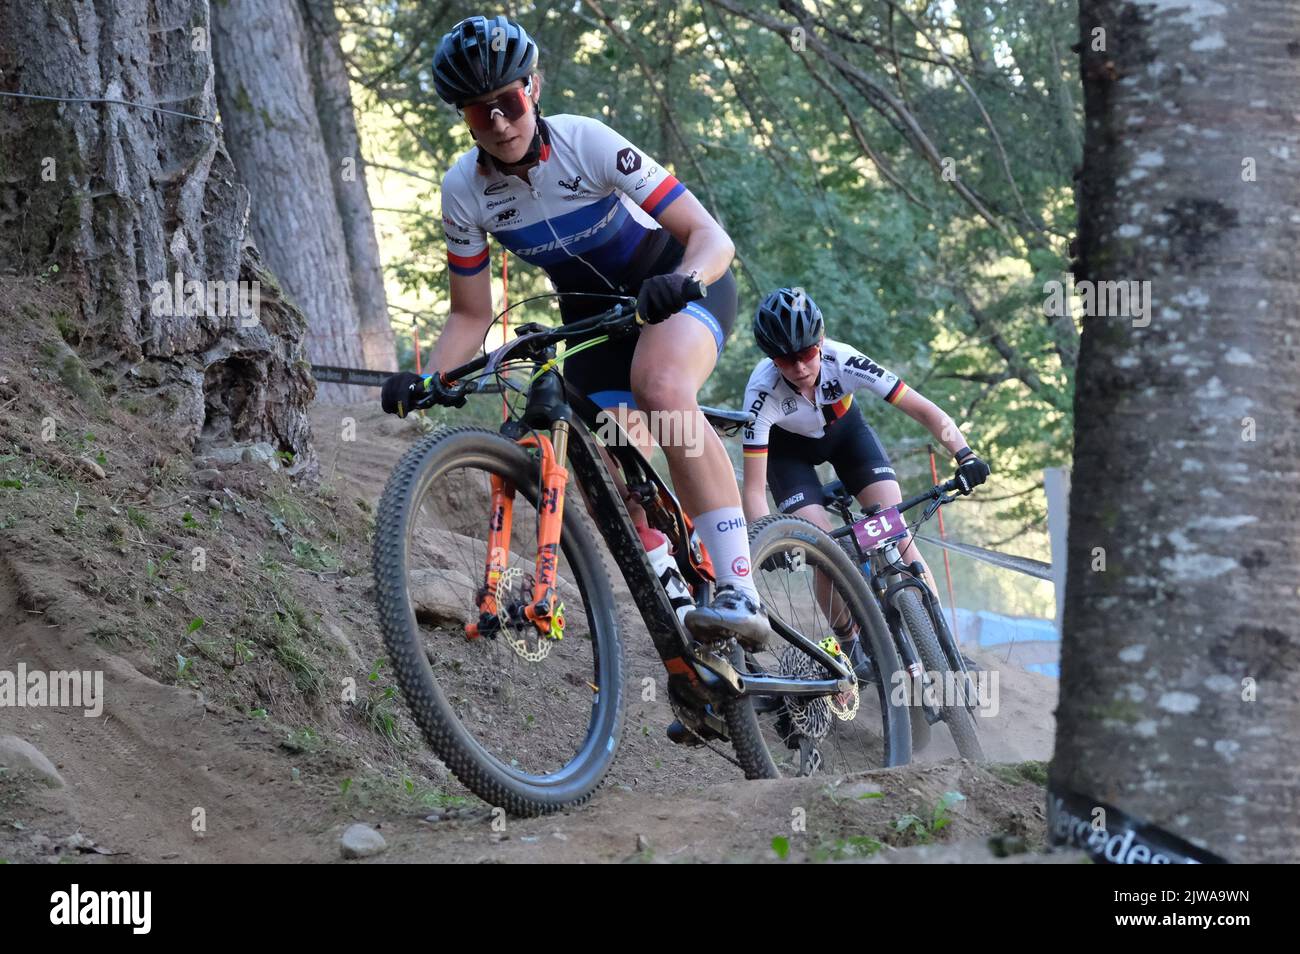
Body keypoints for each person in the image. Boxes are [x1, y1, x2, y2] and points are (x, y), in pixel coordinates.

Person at [379, 15, 770, 651]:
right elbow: (472, 315)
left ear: (532, 86)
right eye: (481, 114)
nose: (500, 123)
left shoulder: (585, 141)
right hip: (590, 315)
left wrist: (686, 279)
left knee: (661, 389)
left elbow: (711, 238)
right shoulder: (464, 191)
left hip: (673, 282)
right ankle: (678, 611)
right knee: (604, 460)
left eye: (507, 102)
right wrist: (432, 381)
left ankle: (739, 588)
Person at [740, 287, 990, 675]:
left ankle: (943, 648)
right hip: (789, 455)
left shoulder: (845, 360)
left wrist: (964, 453)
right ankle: (850, 647)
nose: (800, 367)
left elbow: (922, 409)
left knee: (894, 528)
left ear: (820, 343)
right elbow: (754, 488)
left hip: (847, 439)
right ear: (771, 360)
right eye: (786, 360)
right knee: (822, 549)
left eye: (806, 354)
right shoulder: (761, 393)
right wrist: (764, 536)